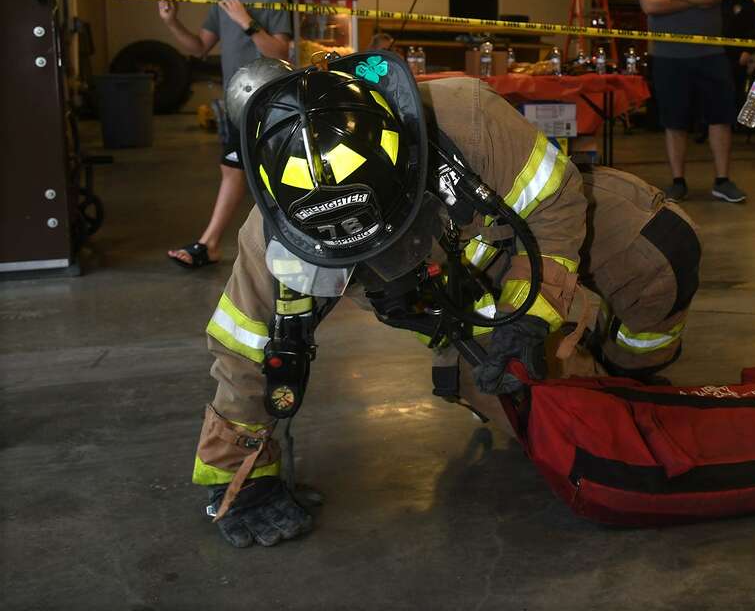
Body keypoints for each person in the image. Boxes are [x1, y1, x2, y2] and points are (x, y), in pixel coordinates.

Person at [191, 52, 701, 547]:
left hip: (523, 237)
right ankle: (467, 368)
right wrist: (240, 475)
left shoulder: (464, 119)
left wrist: (531, 311)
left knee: (656, 255)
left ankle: (639, 369)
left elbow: (553, 202)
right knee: (558, 421)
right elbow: (245, 349)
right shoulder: (272, 241)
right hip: (455, 300)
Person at [158, 0, 292, 268]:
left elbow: (280, 53)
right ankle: (215, 243)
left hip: (266, 103)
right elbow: (200, 48)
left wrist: (247, 22)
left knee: (254, 172)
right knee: (235, 170)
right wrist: (172, 23)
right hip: (237, 104)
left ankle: (213, 243)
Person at [637, 0, 747, 204]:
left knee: (720, 117)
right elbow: (650, 5)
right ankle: (678, 181)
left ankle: (722, 180)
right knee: (674, 121)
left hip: (710, 53)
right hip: (668, 57)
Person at [722, 0, 755, 118]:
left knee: (737, 89)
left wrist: (747, 51)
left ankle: (736, 123)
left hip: (738, 55)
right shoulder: (716, 2)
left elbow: (752, 30)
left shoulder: (747, 3)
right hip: (718, 53)